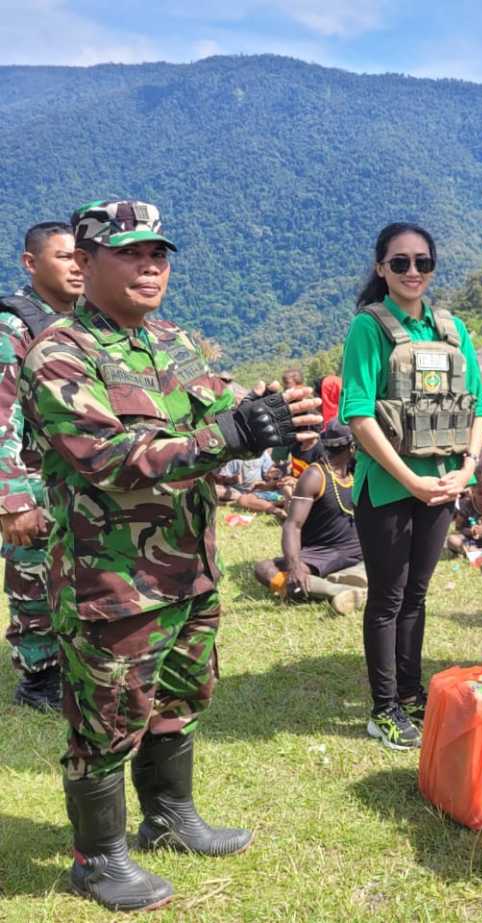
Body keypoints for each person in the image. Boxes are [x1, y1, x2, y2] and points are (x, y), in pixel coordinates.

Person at [21, 199, 322, 912]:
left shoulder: (173, 341)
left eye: (159, 252)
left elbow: (226, 403)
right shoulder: (59, 353)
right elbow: (108, 458)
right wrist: (229, 435)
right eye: (130, 252)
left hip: (189, 566)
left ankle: (170, 816)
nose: (150, 264)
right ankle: (99, 858)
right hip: (111, 580)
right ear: (86, 261)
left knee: (181, 699)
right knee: (105, 719)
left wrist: (284, 420)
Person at [340, 221, 482, 750]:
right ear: (381, 267)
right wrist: (410, 479)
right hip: (388, 487)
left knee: (417, 595)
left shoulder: (452, 330)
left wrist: (467, 470)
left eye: (422, 262)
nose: (412, 271)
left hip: (444, 484)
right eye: (400, 262)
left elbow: (478, 407)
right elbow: (358, 414)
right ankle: (383, 709)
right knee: (386, 597)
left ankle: (410, 694)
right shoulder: (369, 328)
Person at [0, 221, 83, 710]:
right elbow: (1, 416)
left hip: (77, 478)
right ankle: (39, 680)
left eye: (80, 257)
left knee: (75, 578)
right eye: (63, 257)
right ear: (31, 264)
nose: (76, 267)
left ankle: (74, 664)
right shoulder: (14, 326)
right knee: (33, 579)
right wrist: (12, 500)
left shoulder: (83, 321)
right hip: (33, 480)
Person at [253, 419, 367, 614]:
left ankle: (331, 586)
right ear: (352, 446)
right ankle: (340, 590)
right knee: (265, 569)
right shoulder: (315, 475)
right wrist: (295, 566)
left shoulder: (356, 470)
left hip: (358, 550)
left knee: (264, 569)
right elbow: (292, 526)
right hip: (322, 553)